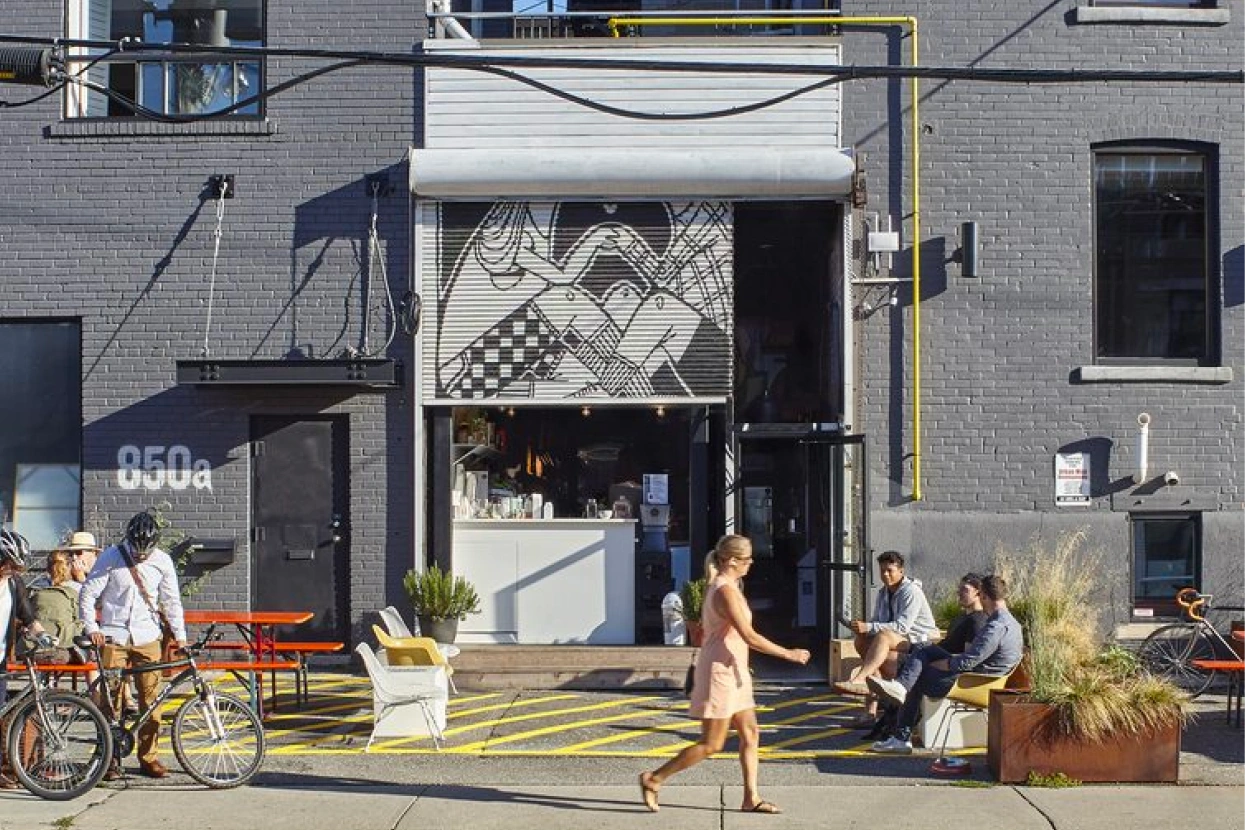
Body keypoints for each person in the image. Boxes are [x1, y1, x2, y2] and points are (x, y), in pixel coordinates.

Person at [638, 534, 811, 815]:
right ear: (732, 560)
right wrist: (789, 654)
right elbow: (749, 636)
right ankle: (654, 778)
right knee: (712, 743)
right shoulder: (724, 591)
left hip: (733, 671)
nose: (751, 563)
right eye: (746, 559)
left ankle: (750, 798)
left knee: (750, 733)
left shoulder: (729, 586)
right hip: (719, 673)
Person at [79, 512, 187, 779]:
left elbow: (172, 601)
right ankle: (110, 759)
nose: (140, 555)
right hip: (113, 636)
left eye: (145, 551)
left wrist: (180, 635)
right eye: (136, 550)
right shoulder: (111, 557)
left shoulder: (162, 561)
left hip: (147, 636)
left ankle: (149, 757)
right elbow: (88, 593)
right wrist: (92, 628)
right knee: (110, 701)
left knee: (152, 701)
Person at [867, 574, 1024, 754]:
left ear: (985, 597)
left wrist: (945, 664)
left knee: (915, 676)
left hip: (973, 683)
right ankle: (901, 690)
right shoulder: (1013, 624)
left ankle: (901, 736)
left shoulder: (995, 627)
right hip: (981, 679)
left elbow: (968, 661)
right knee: (923, 648)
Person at [864, 572, 988, 740]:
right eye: (958, 588)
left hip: (951, 672)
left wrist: (939, 662)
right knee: (905, 656)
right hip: (939, 661)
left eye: (964, 590)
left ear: (979, 593)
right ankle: (894, 715)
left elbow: (966, 658)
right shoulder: (961, 618)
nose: (958, 592)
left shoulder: (977, 621)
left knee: (910, 659)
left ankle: (898, 724)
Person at [834, 551, 937, 725]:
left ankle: (860, 680)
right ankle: (870, 712)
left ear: (901, 571)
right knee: (862, 642)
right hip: (898, 643)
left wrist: (871, 627)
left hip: (919, 644)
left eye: (890, 570)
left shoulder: (911, 592)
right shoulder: (883, 593)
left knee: (880, 641)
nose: (885, 575)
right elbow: (877, 621)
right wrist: (863, 628)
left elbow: (902, 627)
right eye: (882, 571)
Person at [0, 528, 49, 789]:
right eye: (9, 564)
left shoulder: (14, 584)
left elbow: (28, 618)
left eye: (16, 565)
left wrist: (43, 637)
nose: (14, 569)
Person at [29, 550, 85, 662]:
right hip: (65, 646)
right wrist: (83, 579)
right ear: (70, 566)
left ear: (48, 567)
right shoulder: (78, 589)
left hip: (35, 648)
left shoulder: (36, 588)